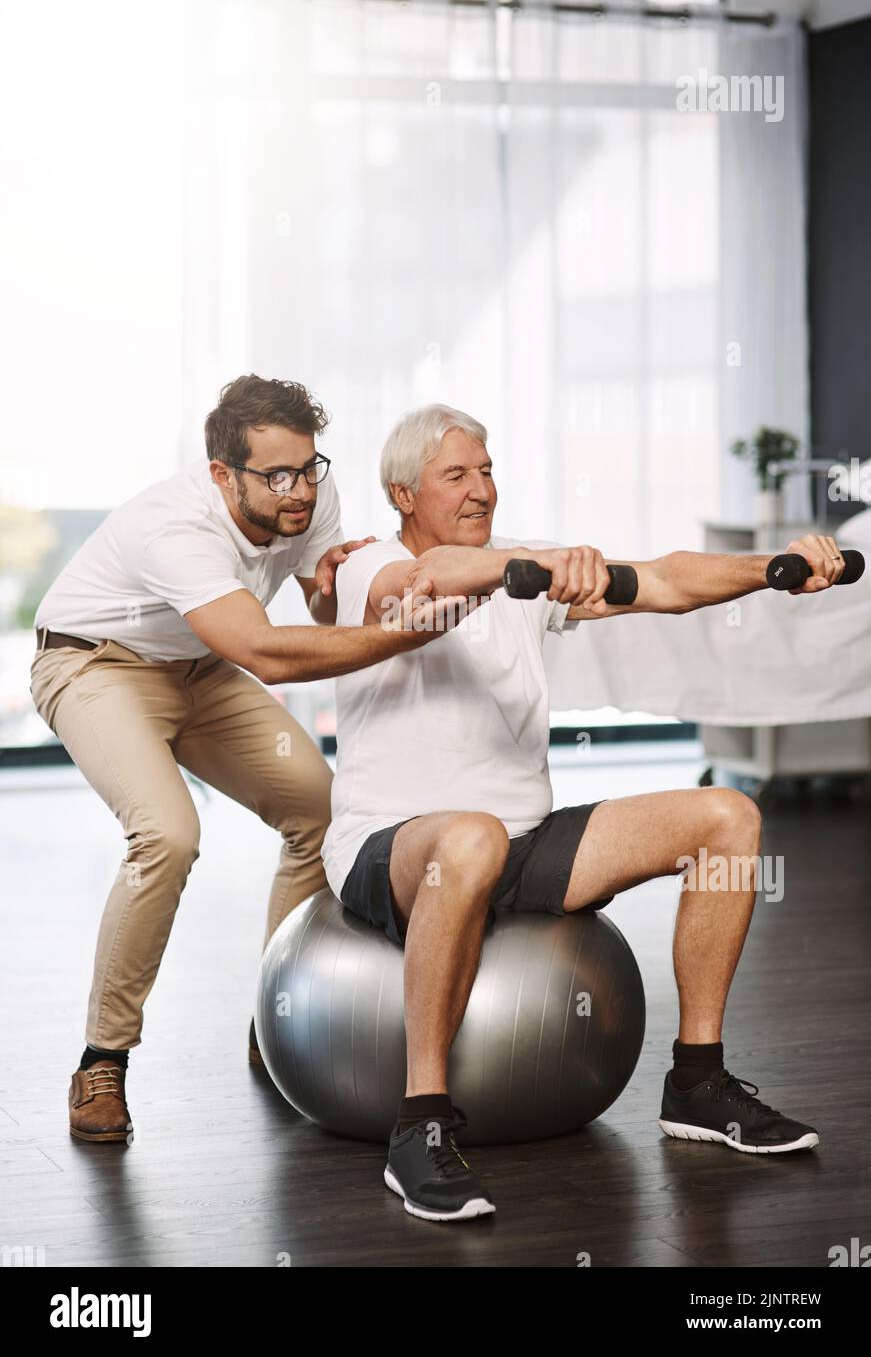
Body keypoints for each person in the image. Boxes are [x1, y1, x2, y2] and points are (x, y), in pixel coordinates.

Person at [322, 402, 846, 1223]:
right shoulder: (366, 565)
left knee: (726, 817)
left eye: (486, 469)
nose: (479, 489)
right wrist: (520, 566)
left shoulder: (520, 569)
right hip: (396, 845)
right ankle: (419, 1125)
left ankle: (698, 1083)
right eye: (455, 475)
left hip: (522, 841)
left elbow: (666, 578)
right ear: (401, 495)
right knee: (469, 835)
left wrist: (773, 566)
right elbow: (419, 588)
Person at [30, 375, 462, 1145]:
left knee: (319, 811)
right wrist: (406, 634)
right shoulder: (177, 525)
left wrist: (331, 585)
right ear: (222, 474)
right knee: (167, 835)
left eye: (308, 467)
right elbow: (269, 652)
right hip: (94, 664)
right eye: (275, 476)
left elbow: (318, 610)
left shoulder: (306, 494)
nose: (298, 491)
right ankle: (102, 1060)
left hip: (198, 667)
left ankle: (277, 1020)